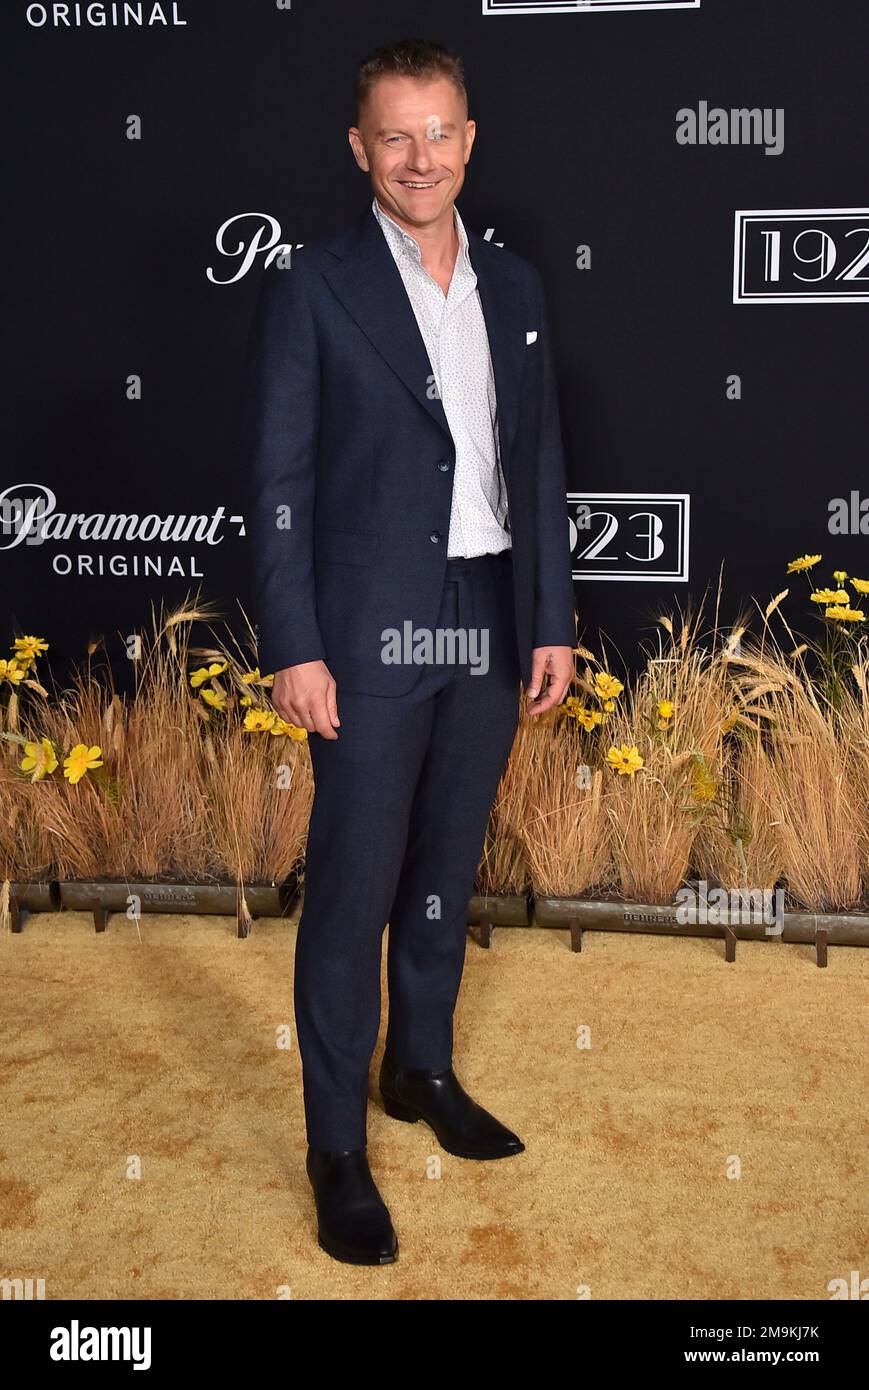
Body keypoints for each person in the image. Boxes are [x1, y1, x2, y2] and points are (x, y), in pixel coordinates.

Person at [240, 37, 576, 1265]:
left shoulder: (516, 286)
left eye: (438, 131)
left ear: (469, 139)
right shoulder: (314, 287)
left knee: (445, 866)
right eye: (395, 135)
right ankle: (337, 1147)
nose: (418, 156)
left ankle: (415, 1069)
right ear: (359, 148)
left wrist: (549, 617)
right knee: (352, 891)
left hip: (489, 614)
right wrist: (297, 644)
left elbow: (532, 458)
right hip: (369, 627)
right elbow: (275, 481)